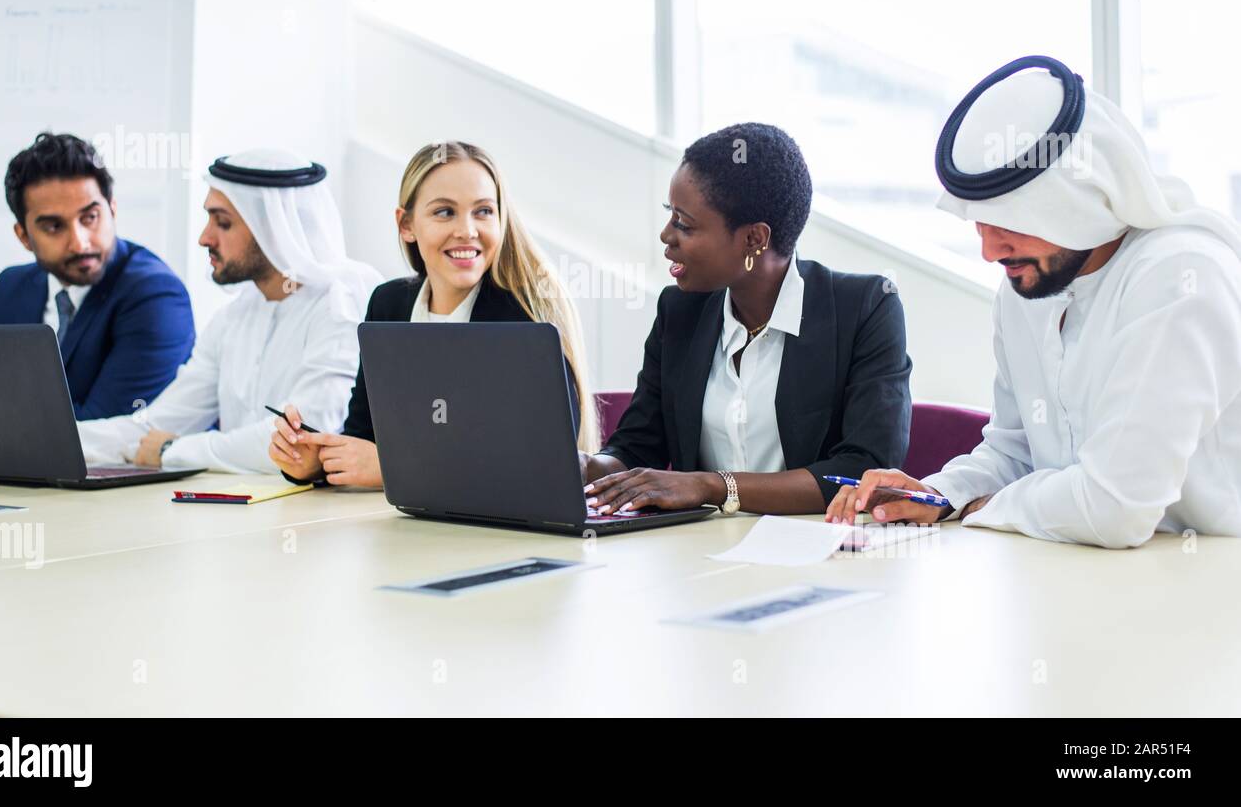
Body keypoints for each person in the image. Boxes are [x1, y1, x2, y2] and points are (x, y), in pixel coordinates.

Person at [826, 55, 1241, 547]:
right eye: (979, 222)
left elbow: (1115, 507)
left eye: (1008, 222)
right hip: (1074, 575)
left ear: (1077, 200)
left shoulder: (1178, 279)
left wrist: (989, 508)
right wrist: (939, 494)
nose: (989, 250)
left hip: (1207, 587)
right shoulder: (1027, 285)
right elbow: (1016, 450)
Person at [581, 122, 913, 516]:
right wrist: (583, 466)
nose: (666, 236)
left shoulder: (865, 308)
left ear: (754, 239)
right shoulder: (679, 312)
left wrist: (715, 485)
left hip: (818, 551)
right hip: (698, 557)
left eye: (684, 224)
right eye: (670, 216)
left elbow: (860, 469)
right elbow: (637, 447)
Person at [270, 140, 597, 487]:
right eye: (445, 212)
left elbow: (537, 462)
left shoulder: (522, 315)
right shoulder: (388, 304)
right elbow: (364, 436)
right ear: (406, 225)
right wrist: (313, 463)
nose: (467, 230)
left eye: (484, 211)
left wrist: (396, 470)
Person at [78, 150, 379, 473]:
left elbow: (303, 441)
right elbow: (154, 426)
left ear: (273, 228)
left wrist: (171, 449)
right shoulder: (233, 317)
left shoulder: (341, 302)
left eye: (223, 223)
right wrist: (52, 438)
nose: (204, 238)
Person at [0, 132, 194, 420]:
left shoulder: (156, 295)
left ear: (112, 210)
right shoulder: (7, 290)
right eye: (54, 227)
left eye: (90, 218)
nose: (80, 242)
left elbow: (105, 427)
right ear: (24, 236)